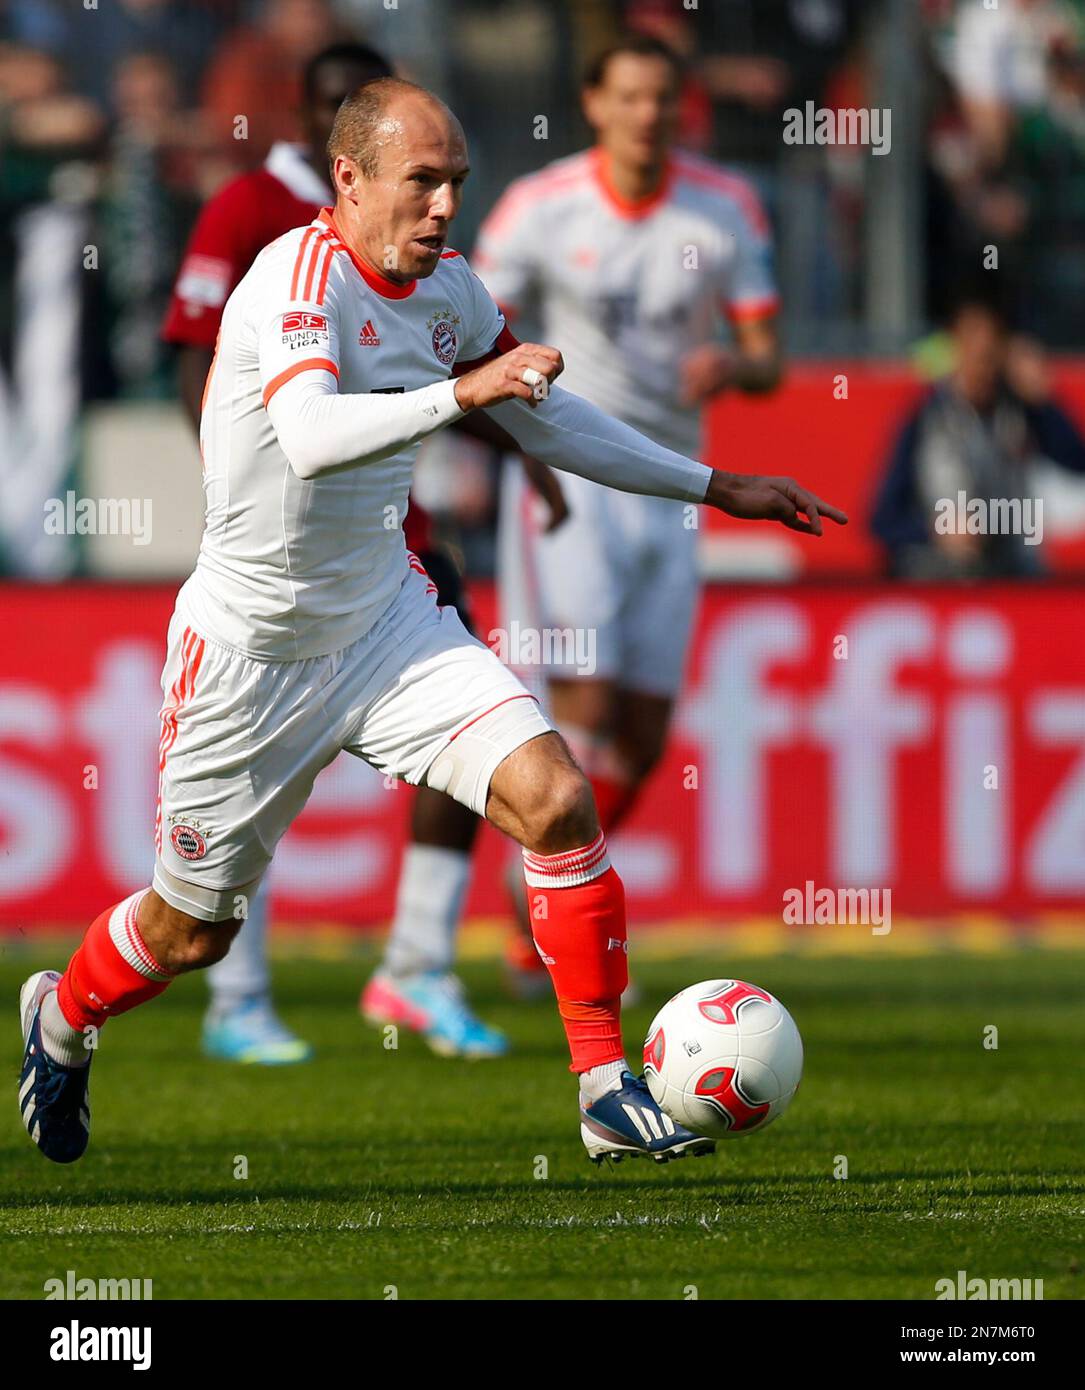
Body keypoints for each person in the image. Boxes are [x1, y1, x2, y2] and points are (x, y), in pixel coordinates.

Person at [18, 76, 845, 1169]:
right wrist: (468, 395)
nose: (444, 205)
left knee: (554, 799)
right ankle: (62, 1017)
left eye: (456, 181)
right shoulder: (291, 278)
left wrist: (710, 483)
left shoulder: (448, 289)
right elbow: (311, 433)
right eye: (423, 181)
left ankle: (604, 1085)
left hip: (387, 625)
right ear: (349, 180)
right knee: (191, 931)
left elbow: (547, 418)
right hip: (249, 656)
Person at [163, 42, 522, 1063]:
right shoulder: (253, 219)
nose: (439, 198)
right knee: (248, 795)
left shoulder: (428, 244)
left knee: (485, 760)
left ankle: (416, 967)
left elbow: (477, 364)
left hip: (396, 549)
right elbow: (196, 352)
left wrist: (534, 451)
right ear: (334, 147)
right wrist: (236, 493)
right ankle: (239, 998)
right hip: (273, 556)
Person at [474, 34, 783, 992]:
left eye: (662, 98)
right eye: (629, 97)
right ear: (595, 103)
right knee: (585, 705)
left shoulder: (723, 209)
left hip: (673, 489)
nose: (646, 114)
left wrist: (734, 364)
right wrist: (521, 432)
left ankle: (538, 893)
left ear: (679, 107)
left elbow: (769, 355)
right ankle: (554, 929)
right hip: (573, 486)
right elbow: (466, 329)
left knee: (644, 736)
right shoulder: (537, 206)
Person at [871, 296, 1085, 578]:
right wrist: (935, 531)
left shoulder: (1020, 413)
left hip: (1013, 574)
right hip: (946, 581)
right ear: (953, 348)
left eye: (989, 353)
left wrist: (1043, 402)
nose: (981, 364)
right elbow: (882, 520)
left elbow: (1076, 462)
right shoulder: (926, 418)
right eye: (971, 347)